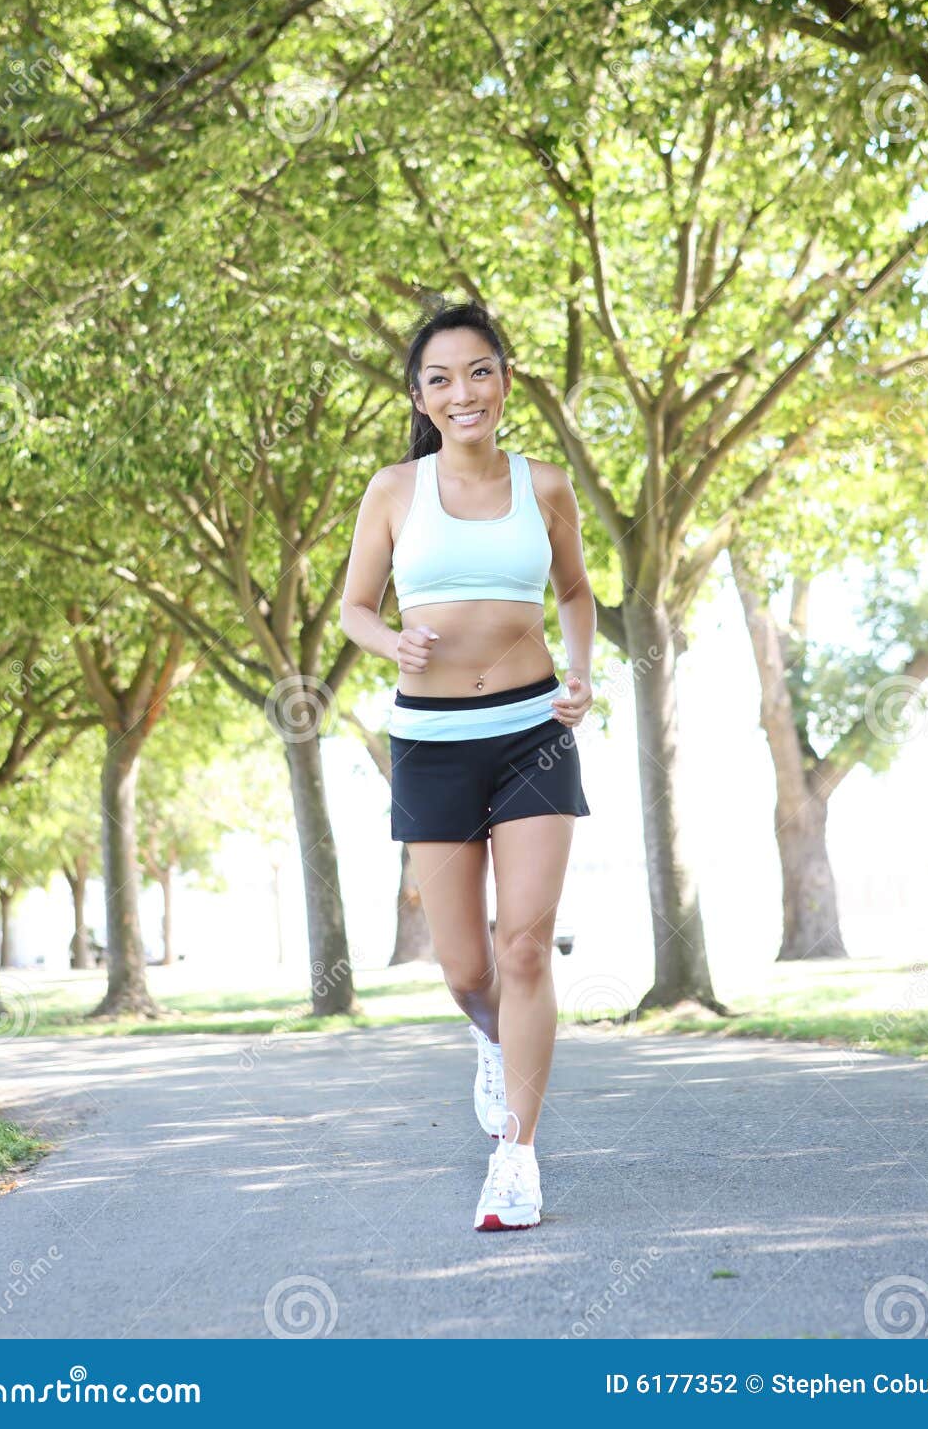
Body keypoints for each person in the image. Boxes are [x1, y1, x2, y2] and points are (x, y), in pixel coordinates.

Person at [340, 300, 596, 1231]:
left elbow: (575, 590)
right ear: (420, 397)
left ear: (506, 379)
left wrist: (580, 674)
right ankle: (489, 1041)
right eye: (440, 379)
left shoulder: (547, 485)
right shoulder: (392, 491)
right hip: (432, 741)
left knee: (525, 945)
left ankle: (518, 1160)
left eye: (478, 371)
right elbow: (354, 609)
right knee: (463, 966)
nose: (463, 392)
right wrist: (390, 642)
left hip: (533, 730)